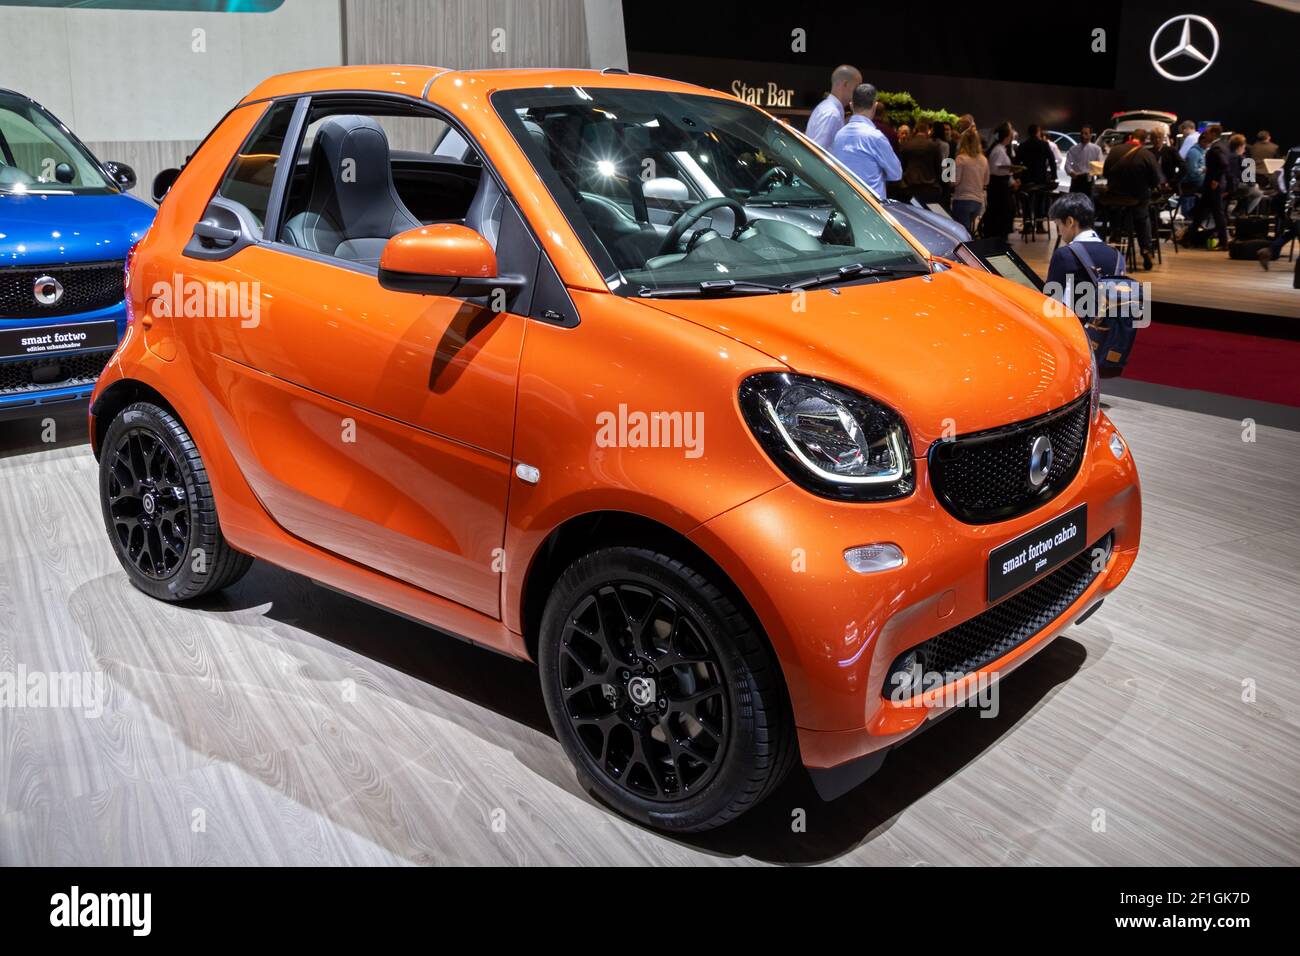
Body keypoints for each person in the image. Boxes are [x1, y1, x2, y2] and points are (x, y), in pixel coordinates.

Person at [1045, 192, 1124, 325]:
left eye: (1058, 225)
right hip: (1105, 335)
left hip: (1075, 333)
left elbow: (1051, 302)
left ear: (1070, 222)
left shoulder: (1064, 255)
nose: (1059, 231)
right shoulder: (1116, 254)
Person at [830, 82, 902, 199]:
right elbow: (896, 174)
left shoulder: (839, 135)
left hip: (844, 201)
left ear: (851, 105)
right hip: (871, 207)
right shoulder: (876, 137)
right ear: (875, 105)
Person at [1102, 128, 1161, 270]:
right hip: (1137, 197)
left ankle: (1115, 235)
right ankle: (1146, 249)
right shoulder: (1147, 154)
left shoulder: (1115, 150)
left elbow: (1105, 173)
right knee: (1143, 217)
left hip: (1114, 197)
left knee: (1115, 212)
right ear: (1144, 140)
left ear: (1130, 137)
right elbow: (1155, 180)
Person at [1184, 125, 1229, 249]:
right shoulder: (1222, 145)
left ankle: (1224, 242)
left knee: (1216, 214)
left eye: (1208, 133)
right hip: (1211, 186)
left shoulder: (1216, 148)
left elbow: (1224, 164)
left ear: (1214, 134)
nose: (1205, 135)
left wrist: (1215, 179)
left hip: (1213, 186)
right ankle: (1189, 239)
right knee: (1201, 213)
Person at [805, 64, 860, 150]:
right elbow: (818, 154)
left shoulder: (828, 109)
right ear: (845, 84)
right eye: (856, 87)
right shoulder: (832, 114)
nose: (858, 93)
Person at [1015, 123, 1056, 232]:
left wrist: (1017, 177)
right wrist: (1053, 176)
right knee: (1040, 202)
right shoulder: (1044, 144)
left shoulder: (1022, 146)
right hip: (1041, 178)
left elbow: (1016, 163)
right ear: (1038, 132)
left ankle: (1028, 226)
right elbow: (1052, 160)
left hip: (1027, 178)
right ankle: (1039, 226)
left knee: (1027, 203)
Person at [983, 122, 1017, 240]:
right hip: (998, 186)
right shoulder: (998, 150)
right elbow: (995, 168)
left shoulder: (1001, 149)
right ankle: (998, 239)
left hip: (1000, 185)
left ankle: (999, 237)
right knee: (1000, 213)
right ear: (1007, 135)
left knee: (1001, 212)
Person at [899, 117, 945, 205]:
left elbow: (902, 166)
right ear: (928, 129)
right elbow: (938, 168)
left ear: (916, 129)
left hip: (910, 188)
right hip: (929, 188)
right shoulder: (934, 146)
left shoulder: (907, 145)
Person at [951, 126, 989, 234]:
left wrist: (947, 176)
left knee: (962, 233)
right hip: (978, 202)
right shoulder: (984, 160)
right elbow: (986, 181)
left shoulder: (961, 158)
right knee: (969, 231)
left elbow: (955, 181)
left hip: (962, 200)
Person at [1229, 133, 1263, 215]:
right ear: (1241, 146)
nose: (1244, 150)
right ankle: (1243, 213)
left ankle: (1236, 210)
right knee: (1257, 192)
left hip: (1223, 185)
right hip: (1234, 186)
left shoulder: (1224, 155)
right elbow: (1249, 178)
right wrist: (1254, 184)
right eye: (1244, 147)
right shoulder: (1242, 158)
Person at [1065, 125, 1103, 194]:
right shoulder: (1073, 149)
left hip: (1088, 180)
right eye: (1082, 133)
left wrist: (1097, 176)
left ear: (1090, 135)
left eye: (1086, 133)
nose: (1083, 135)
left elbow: (1100, 166)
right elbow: (1067, 164)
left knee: (1087, 201)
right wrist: (1070, 171)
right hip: (1075, 179)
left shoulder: (1097, 149)